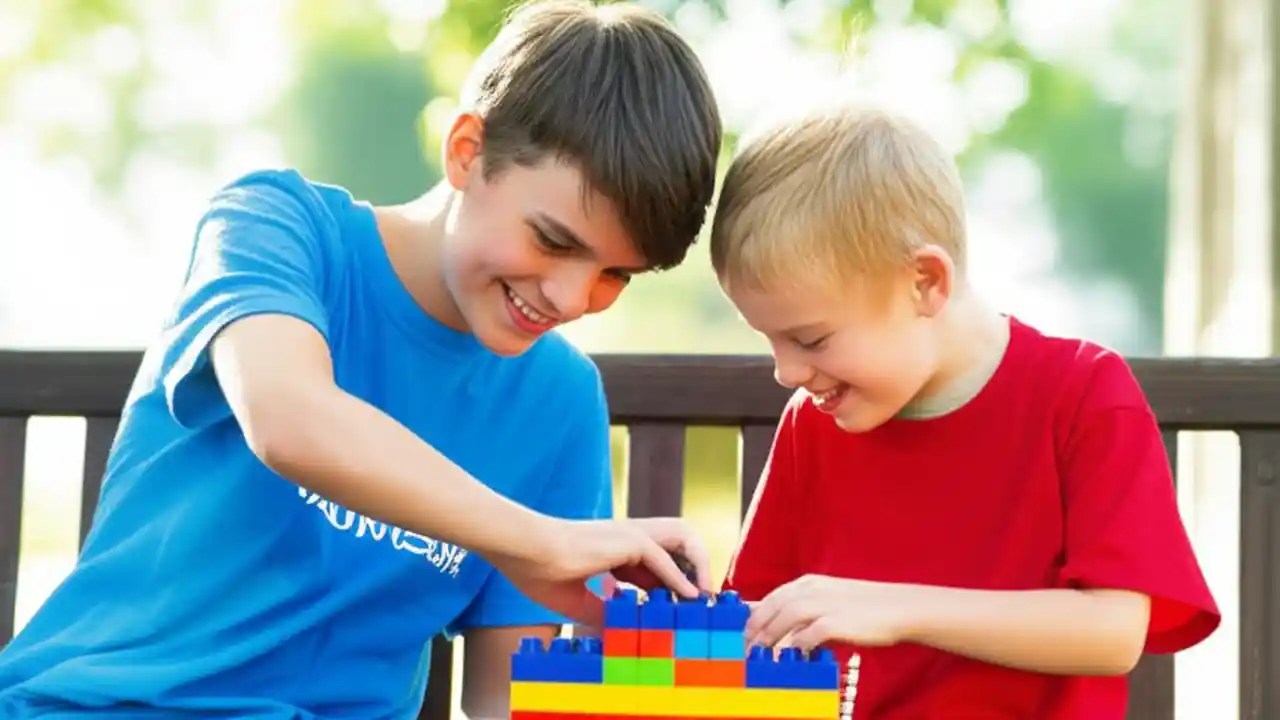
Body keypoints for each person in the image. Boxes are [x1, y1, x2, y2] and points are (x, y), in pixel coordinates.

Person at [0, 2, 722, 718]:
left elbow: (502, 700)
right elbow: (288, 421)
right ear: (468, 150)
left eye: (614, 276)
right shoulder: (278, 228)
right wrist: (543, 541)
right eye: (553, 241)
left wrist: (675, 675)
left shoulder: (558, 401)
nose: (570, 297)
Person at [709, 102, 1219, 718]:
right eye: (770, 340)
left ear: (925, 282)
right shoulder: (811, 423)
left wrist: (896, 609)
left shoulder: (1084, 395)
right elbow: (753, 623)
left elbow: (1113, 631)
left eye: (811, 340)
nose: (785, 372)